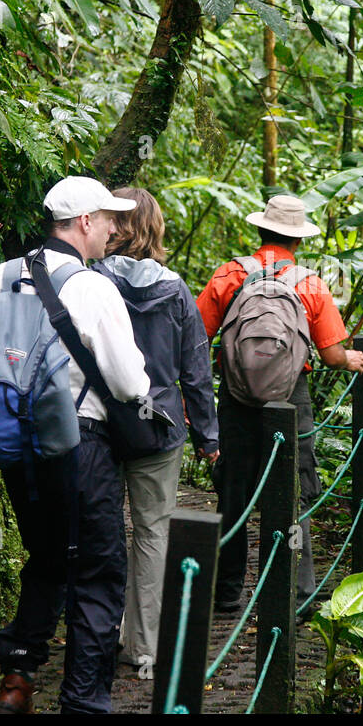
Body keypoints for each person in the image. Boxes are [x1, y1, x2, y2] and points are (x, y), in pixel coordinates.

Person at [0, 175, 150, 714]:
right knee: (97, 572)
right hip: (82, 448)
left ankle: (17, 679)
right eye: (109, 217)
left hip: (15, 448)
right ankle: (83, 702)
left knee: (47, 557)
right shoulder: (93, 288)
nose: (116, 227)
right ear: (83, 223)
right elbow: (128, 384)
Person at [196, 194, 363, 612]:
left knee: (233, 490)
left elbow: (195, 338)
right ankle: (300, 593)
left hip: (236, 399)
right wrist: (350, 359)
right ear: (298, 240)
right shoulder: (310, 283)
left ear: (260, 230)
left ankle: (227, 591)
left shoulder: (230, 275)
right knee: (296, 491)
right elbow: (330, 355)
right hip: (291, 401)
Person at [91, 187, 220, 671]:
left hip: (100, 423)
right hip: (159, 429)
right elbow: (196, 370)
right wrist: (209, 437)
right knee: (151, 534)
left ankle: (96, 636)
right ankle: (144, 648)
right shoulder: (176, 290)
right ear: (155, 228)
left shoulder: (89, 281)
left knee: (100, 531)